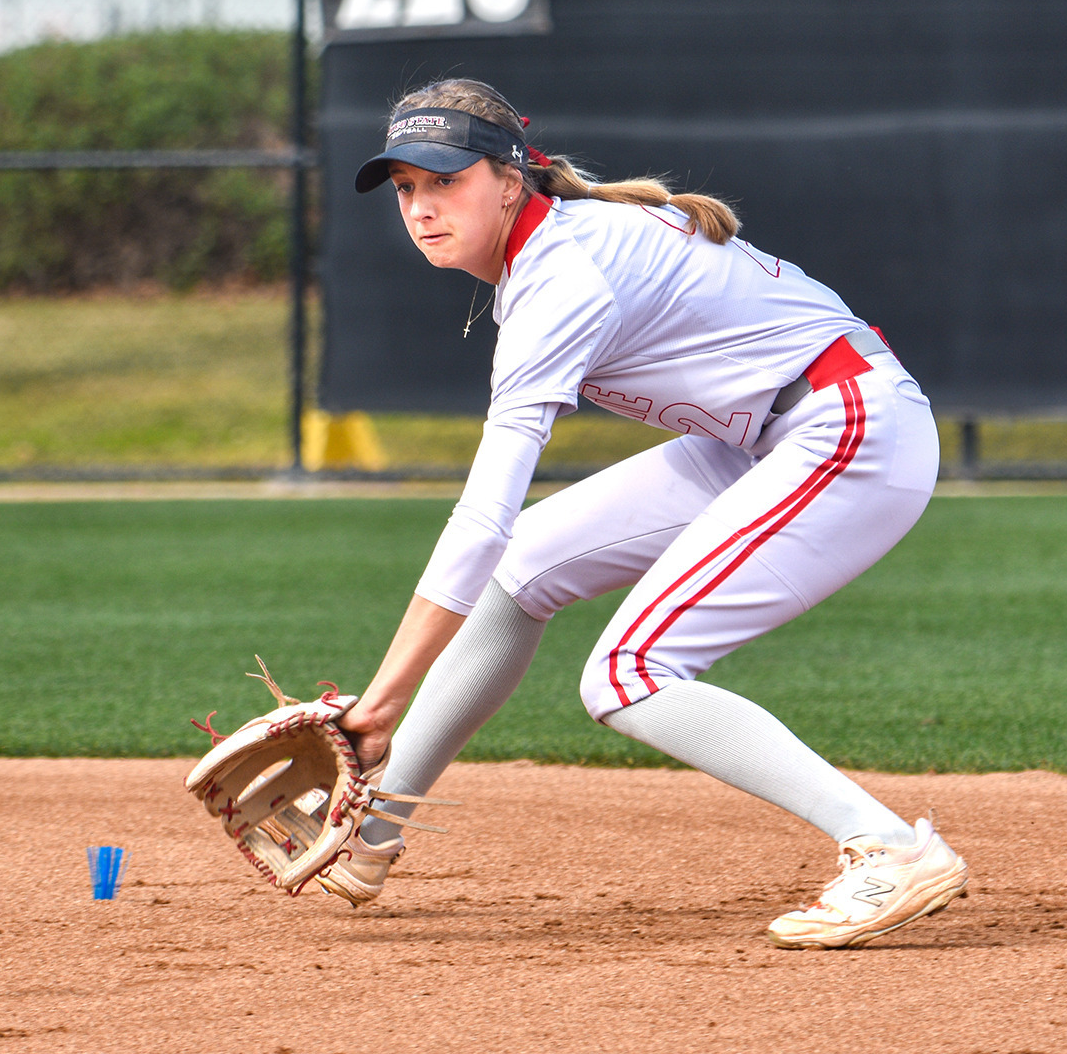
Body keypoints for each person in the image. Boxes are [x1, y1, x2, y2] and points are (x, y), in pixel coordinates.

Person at [323, 78, 967, 950]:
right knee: (524, 568)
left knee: (629, 673)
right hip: (767, 429)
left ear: (510, 180)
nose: (422, 207)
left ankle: (892, 848)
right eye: (406, 188)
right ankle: (375, 830)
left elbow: (480, 514)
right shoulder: (555, 246)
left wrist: (383, 701)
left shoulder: (561, 279)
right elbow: (498, 548)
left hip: (851, 428)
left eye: (446, 180)